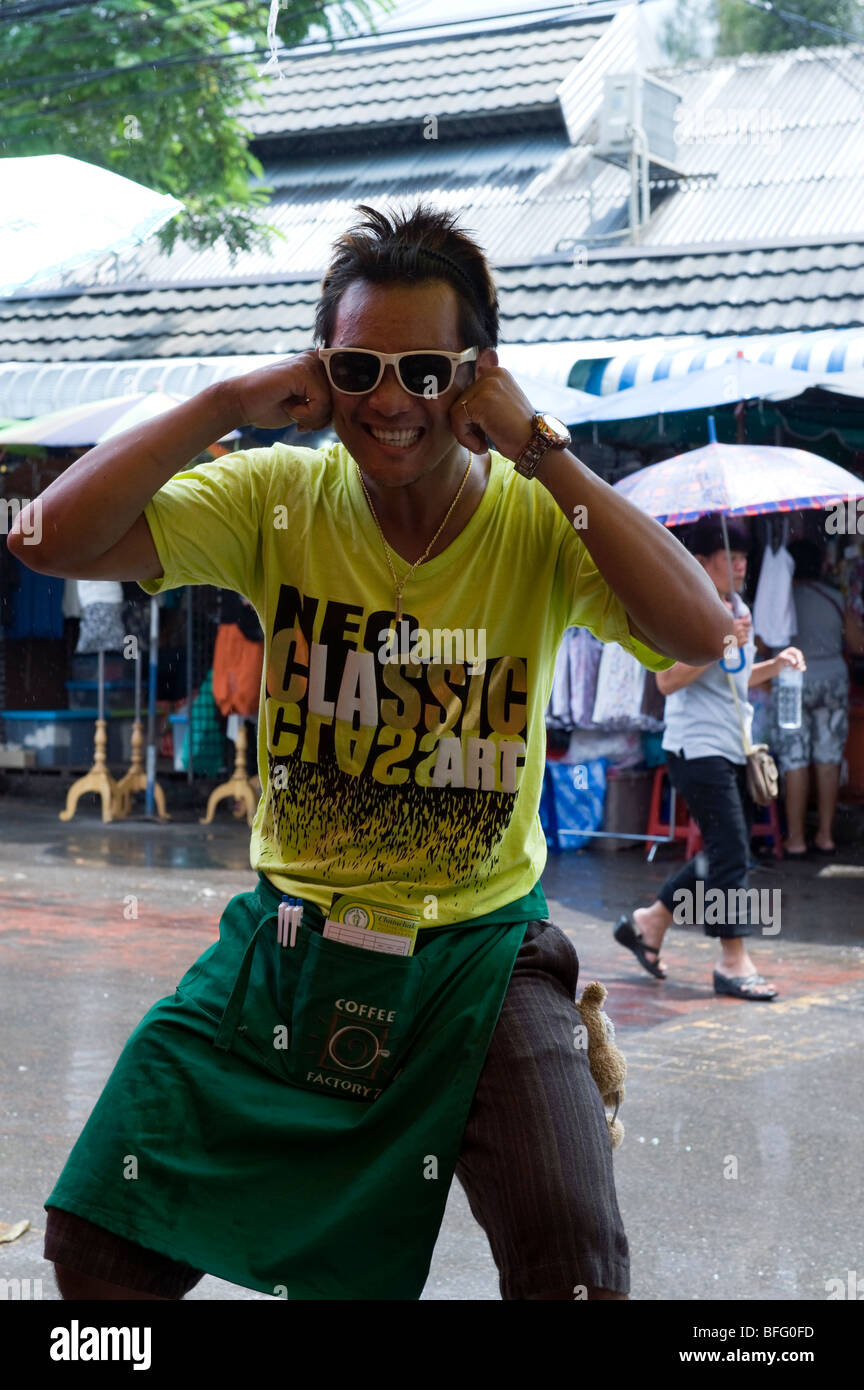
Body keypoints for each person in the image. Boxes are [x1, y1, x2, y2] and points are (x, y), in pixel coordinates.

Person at [10, 203, 730, 1302]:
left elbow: (700, 631)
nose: (392, 400)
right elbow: (49, 538)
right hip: (291, 941)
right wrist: (226, 402)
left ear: (476, 376)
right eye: (359, 367)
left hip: (480, 957)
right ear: (322, 371)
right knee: (98, 1246)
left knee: (577, 1265)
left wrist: (542, 447)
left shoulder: (540, 524)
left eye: (427, 369)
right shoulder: (277, 497)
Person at [613, 518, 805, 1002]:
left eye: (744, 557)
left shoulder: (739, 609)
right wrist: (723, 642)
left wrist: (775, 664)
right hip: (697, 749)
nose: (741, 565)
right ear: (701, 563)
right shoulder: (689, 608)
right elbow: (667, 681)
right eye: (731, 557)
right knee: (732, 853)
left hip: (732, 747)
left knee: (725, 849)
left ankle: (648, 922)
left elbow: (736, 679)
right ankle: (732, 960)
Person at [773, 538, 864, 856]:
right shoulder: (835, 597)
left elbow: (761, 646)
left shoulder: (779, 601)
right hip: (832, 681)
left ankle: (795, 839)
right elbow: (857, 644)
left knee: (794, 760)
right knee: (828, 760)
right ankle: (825, 836)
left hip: (790, 681)